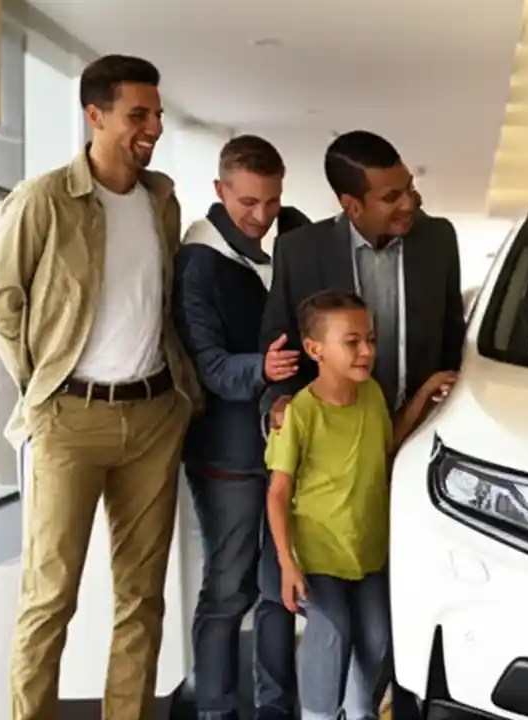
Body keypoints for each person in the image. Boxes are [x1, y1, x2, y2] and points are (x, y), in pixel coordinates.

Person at [0, 54, 202, 719]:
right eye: (139, 114)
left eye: (157, 115)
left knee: (143, 597)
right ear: (95, 115)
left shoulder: (162, 199)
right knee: (51, 597)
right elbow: (1, 301)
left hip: (155, 414)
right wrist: (42, 386)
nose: (153, 127)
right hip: (69, 422)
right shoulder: (44, 198)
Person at [257, 129, 463, 718]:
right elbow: (281, 348)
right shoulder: (300, 251)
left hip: (413, 444)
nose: (409, 203)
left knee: (392, 611)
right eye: (391, 196)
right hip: (328, 460)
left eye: (410, 188)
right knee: (333, 621)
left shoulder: (438, 240)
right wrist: (277, 400)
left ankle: (377, 705)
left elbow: (451, 337)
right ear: (352, 205)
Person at [171, 134, 312, 720]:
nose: (261, 216)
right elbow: (208, 365)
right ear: (219, 191)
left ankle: (278, 710)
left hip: (285, 447)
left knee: (283, 586)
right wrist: (266, 369)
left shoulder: (294, 236)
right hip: (226, 453)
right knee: (228, 591)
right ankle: (215, 712)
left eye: (271, 201)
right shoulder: (198, 260)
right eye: (247, 202)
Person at [264, 290, 455, 720]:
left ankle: (359, 711)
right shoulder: (299, 414)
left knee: (376, 637)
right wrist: (287, 564)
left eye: (370, 339)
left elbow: (385, 444)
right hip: (318, 552)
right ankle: (317, 714)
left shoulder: (370, 395)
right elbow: (277, 492)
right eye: (352, 342)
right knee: (332, 631)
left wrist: (424, 393)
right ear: (315, 349)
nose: (367, 350)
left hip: (367, 549)